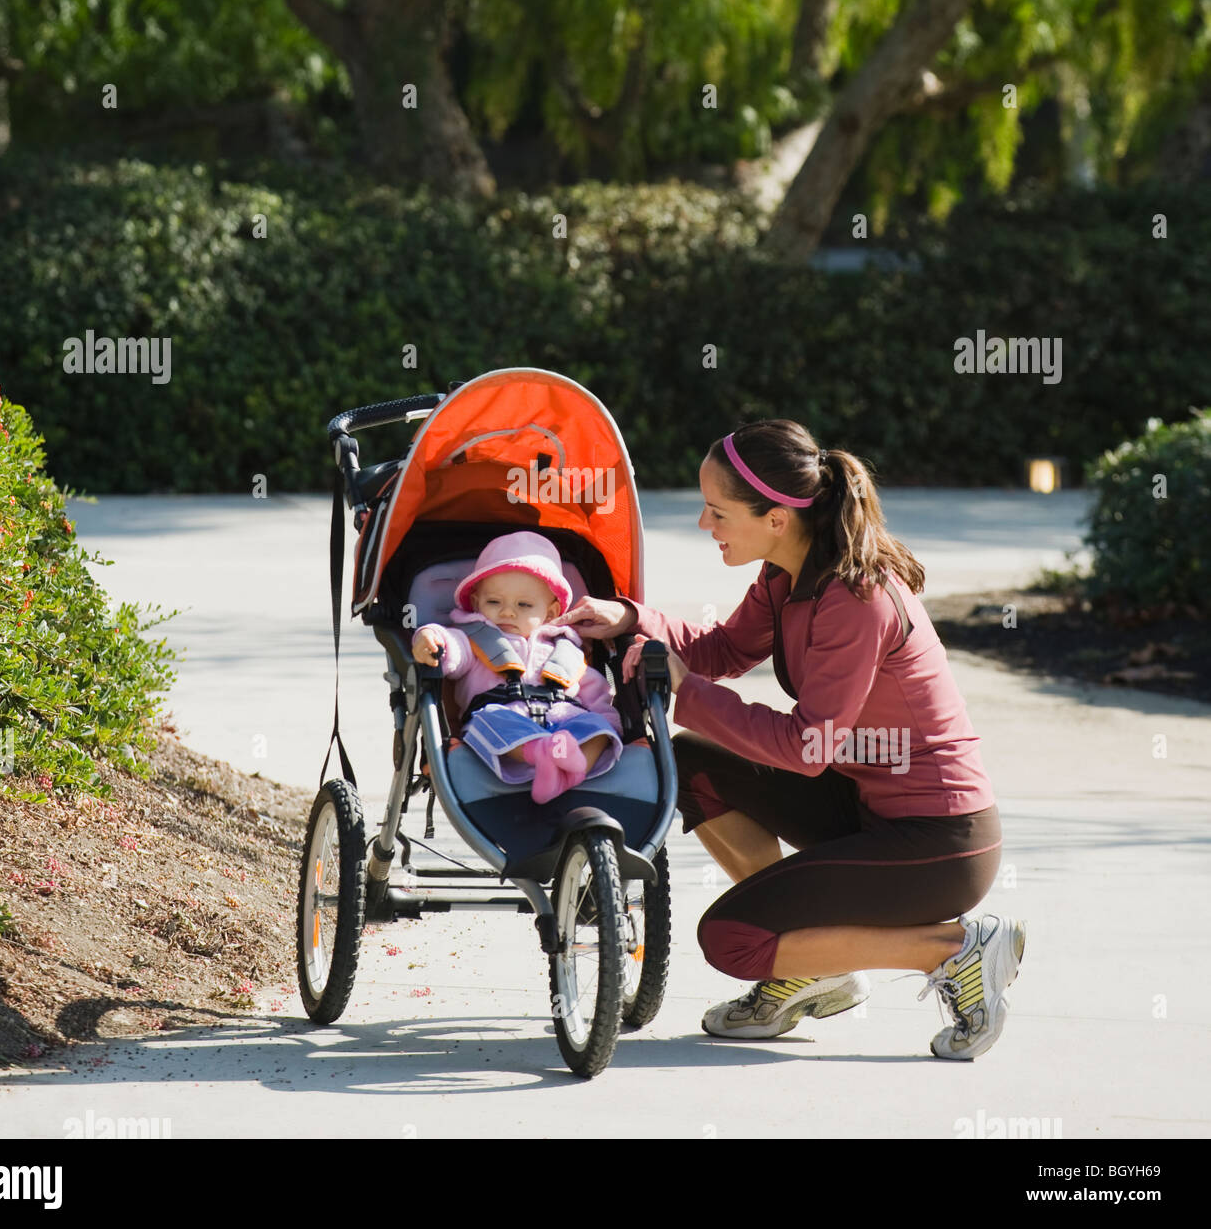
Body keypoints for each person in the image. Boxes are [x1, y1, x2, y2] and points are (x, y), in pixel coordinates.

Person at [555, 419, 1026, 1060]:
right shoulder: (788, 573)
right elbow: (721, 650)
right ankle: (818, 966)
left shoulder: (856, 597)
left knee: (731, 940)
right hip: (864, 805)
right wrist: (633, 618)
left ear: (777, 517)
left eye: (718, 512)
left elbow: (807, 748)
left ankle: (955, 948)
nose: (703, 524)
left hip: (938, 842)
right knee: (691, 765)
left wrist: (685, 692)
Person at [412, 531, 623, 804]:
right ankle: (543, 755)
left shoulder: (566, 649)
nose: (508, 612)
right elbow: (450, 649)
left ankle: (573, 769)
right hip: (503, 727)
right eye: (494, 602)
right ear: (476, 603)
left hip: (564, 720)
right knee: (488, 720)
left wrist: (609, 725)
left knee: (598, 726)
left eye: (523, 605)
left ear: (550, 613)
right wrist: (429, 638)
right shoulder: (474, 639)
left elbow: (596, 693)